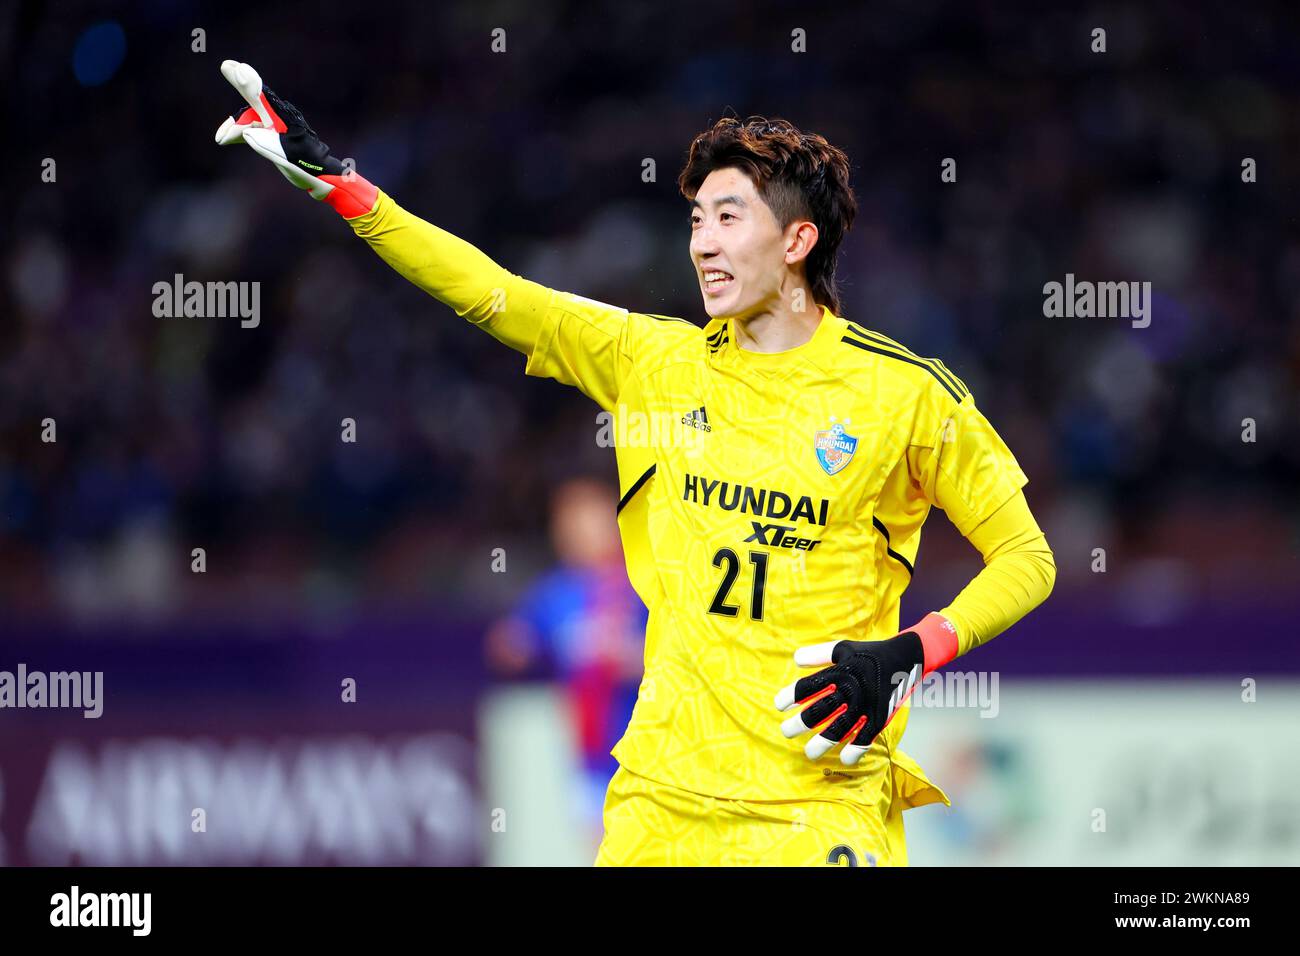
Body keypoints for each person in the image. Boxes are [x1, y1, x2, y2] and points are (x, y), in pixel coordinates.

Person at [216, 61, 1056, 866]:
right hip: (659, 802)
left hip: (817, 804)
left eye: (729, 217)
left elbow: (1028, 558)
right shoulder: (651, 361)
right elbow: (491, 292)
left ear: (799, 239)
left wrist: (912, 651)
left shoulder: (906, 396)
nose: (704, 243)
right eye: (696, 220)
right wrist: (342, 187)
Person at [485, 477, 646, 854]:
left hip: (644, 748)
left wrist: (627, 657)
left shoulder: (639, 581)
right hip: (588, 755)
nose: (578, 533)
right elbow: (511, 643)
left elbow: (674, 653)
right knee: (602, 851)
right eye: (568, 524)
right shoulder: (556, 592)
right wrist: (513, 643)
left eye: (589, 521)